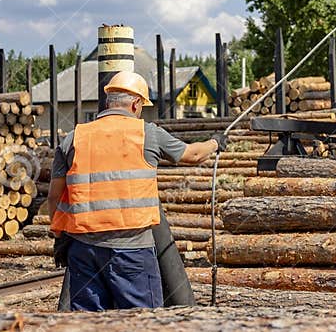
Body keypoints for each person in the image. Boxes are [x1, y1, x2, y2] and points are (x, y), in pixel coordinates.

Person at [47, 70, 227, 311]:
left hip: (84, 249)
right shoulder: (147, 133)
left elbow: (53, 196)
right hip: (132, 250)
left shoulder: (74, 137)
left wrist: (60, 236)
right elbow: (192, 155)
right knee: (143, 321)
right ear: (135, 104)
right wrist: (215, 143)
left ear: (108, 101)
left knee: (86, 326)